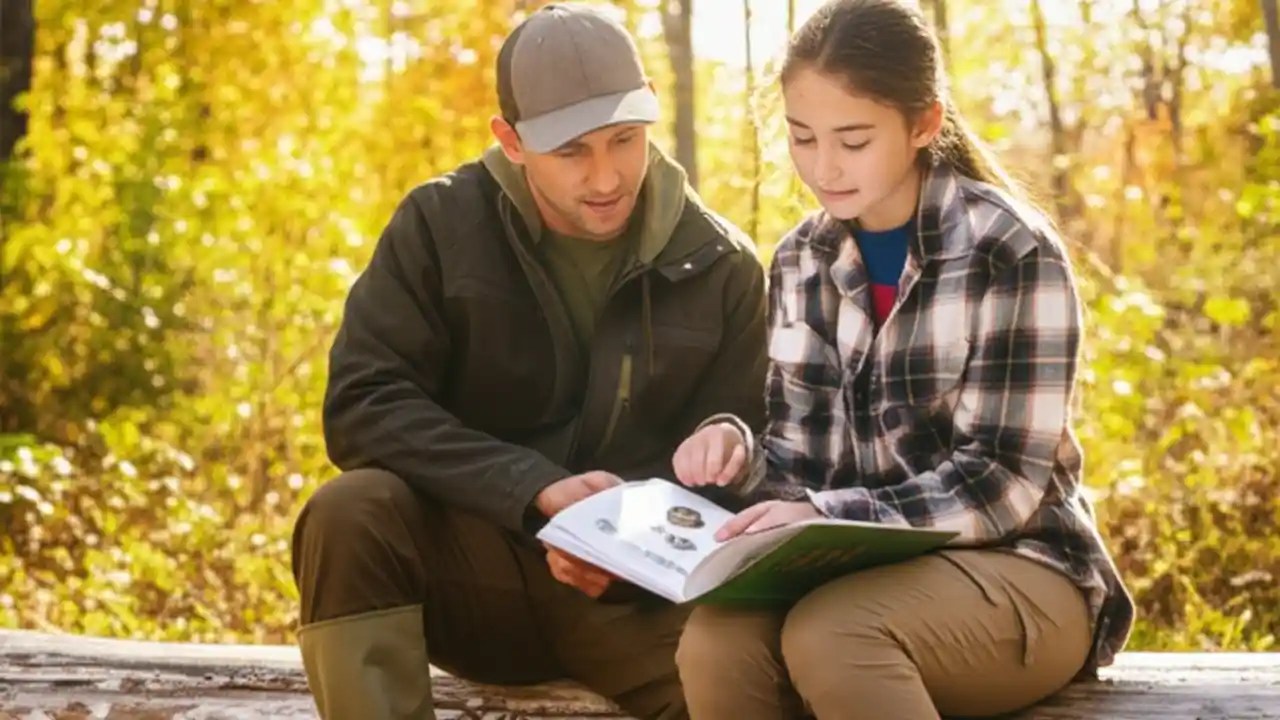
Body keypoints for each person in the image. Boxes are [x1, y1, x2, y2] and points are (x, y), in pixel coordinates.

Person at [290, 4, 768, 719]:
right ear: (510, 142)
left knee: (748, 691)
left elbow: (745, 479)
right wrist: (531, 486)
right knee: (348, 513)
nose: (606, 177)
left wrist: (639, 545)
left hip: (633, 600)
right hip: (471, 577)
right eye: (572, 151)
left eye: (625, 140)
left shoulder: (722, 265)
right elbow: (363, 403)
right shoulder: (439, 226)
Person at [668, 1, 1136, 718]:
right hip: (859, 568)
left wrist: (822, 511)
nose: (823, 167)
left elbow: (1000, 485)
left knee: (837, 636)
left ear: (924, 123)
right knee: (715, 642)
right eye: (802, 137)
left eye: (853, 141)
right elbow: (802, 468)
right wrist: (738, 452)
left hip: (1023, 567)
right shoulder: (801, 259)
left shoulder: (1009, 250)